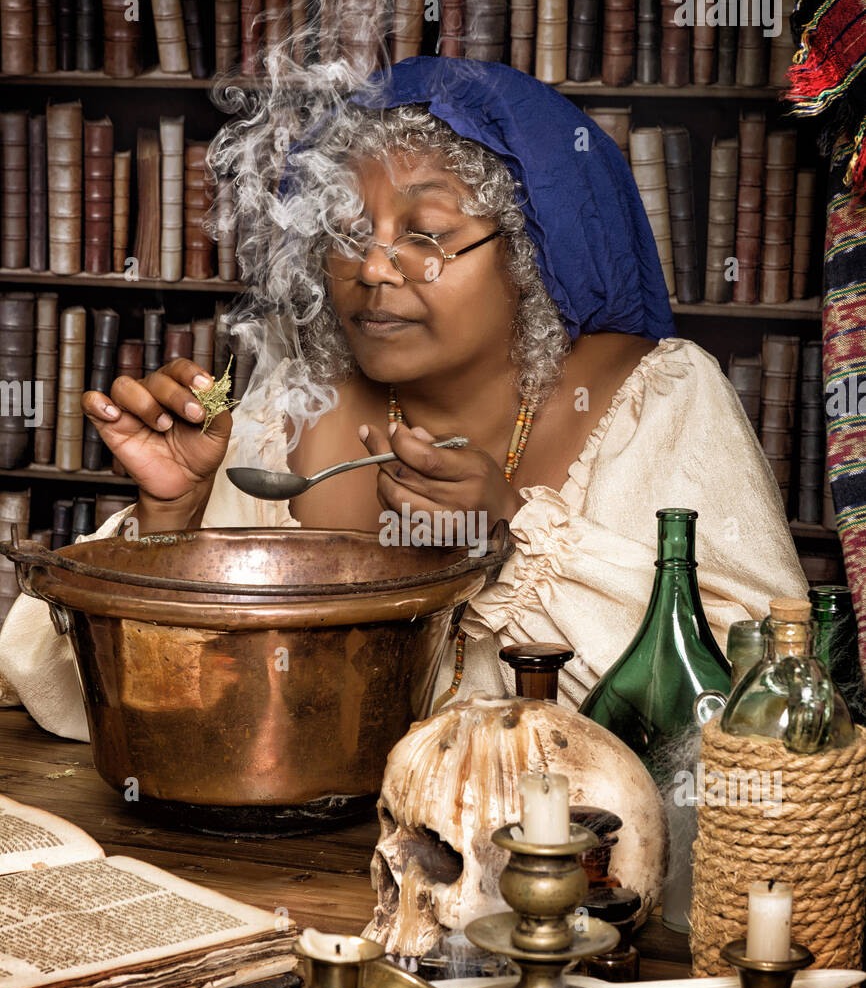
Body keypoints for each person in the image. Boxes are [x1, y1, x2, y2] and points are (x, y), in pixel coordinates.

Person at [0, 57, 806, 740]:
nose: (374, 269)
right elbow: (84, 701)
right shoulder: (290, 406)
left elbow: (768, 702)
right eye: (347, 233)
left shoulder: (654, 398)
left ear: (529, 254)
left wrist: (514, 534)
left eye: (426, 234)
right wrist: (169, 524)